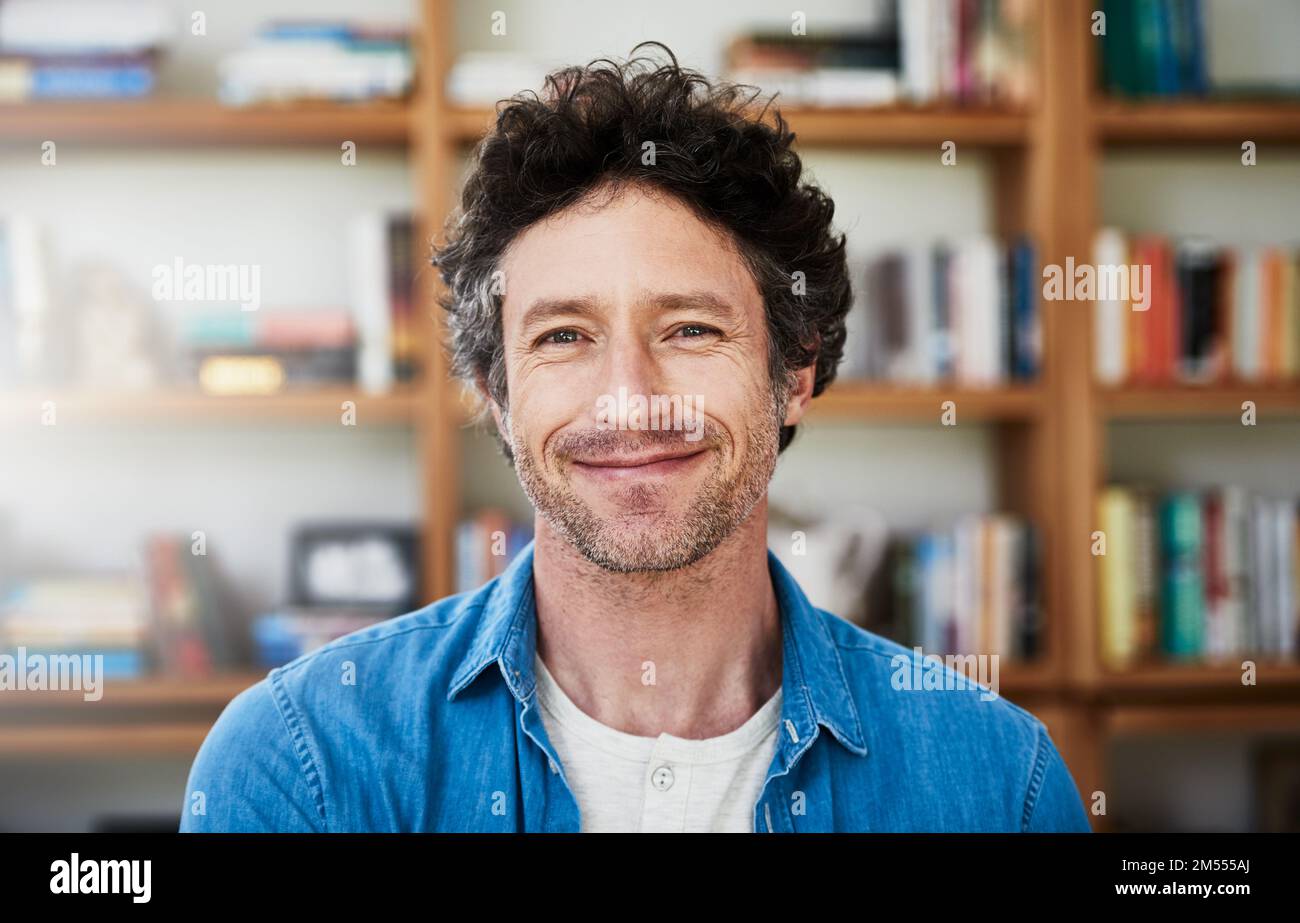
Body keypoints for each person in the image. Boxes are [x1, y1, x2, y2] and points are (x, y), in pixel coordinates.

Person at [180, 46, 1091, 833]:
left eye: (691, 330)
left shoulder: (999, 782)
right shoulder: (302, 765)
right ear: (499, 395)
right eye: (563, 337)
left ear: (795, 370)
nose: (630, 401)